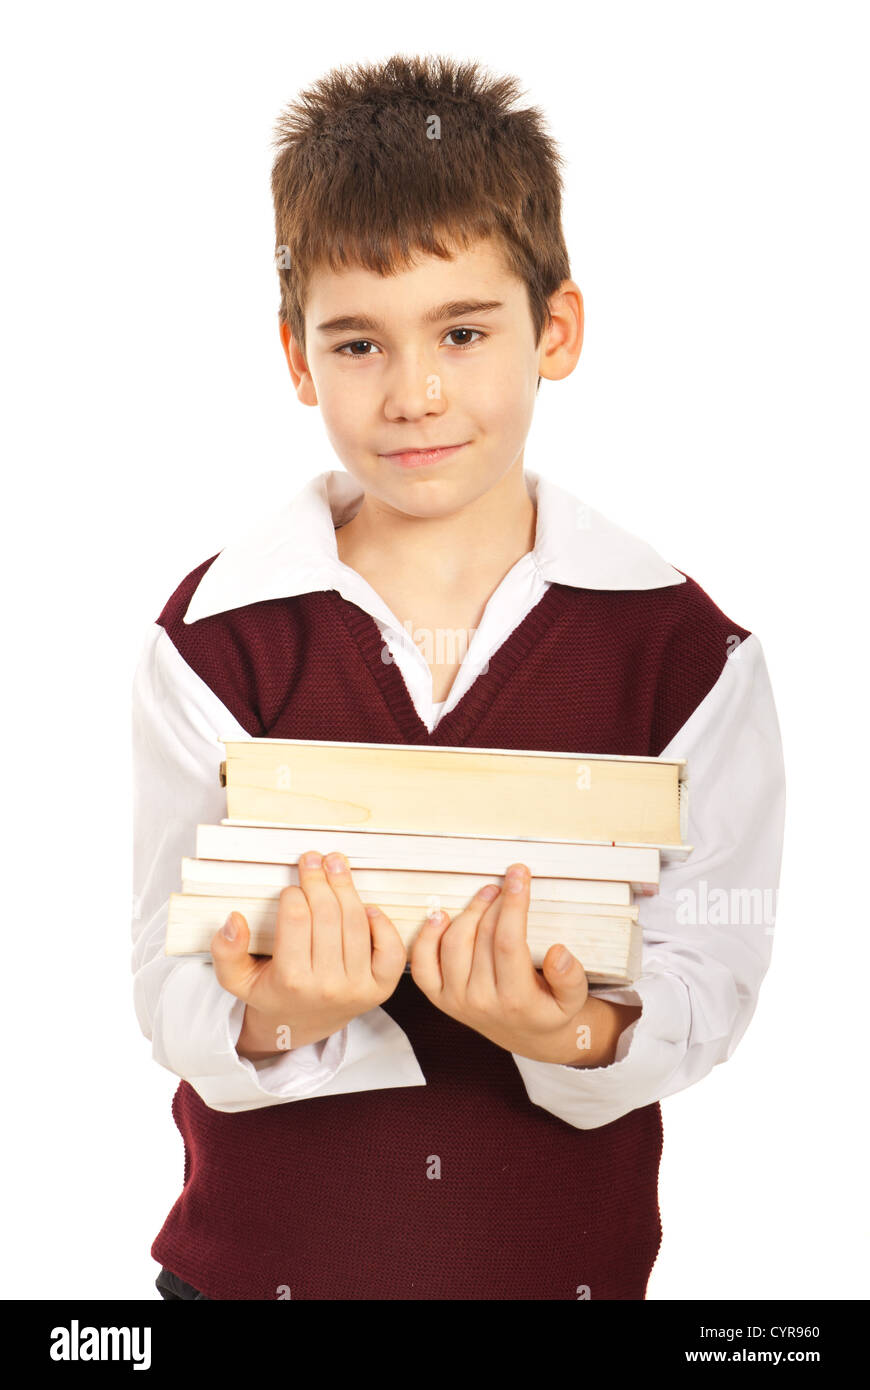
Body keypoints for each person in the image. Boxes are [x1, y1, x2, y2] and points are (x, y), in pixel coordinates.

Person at [132, 53, 786, 1301]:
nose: (416, 392)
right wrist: (284, 1014)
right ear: (297, 357)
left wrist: (577, 1034)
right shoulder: (215, 639)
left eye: (465, 331)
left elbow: (711, 969)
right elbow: (165, 980)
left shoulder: (685, 651)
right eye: (360, 342)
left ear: (556, 329)